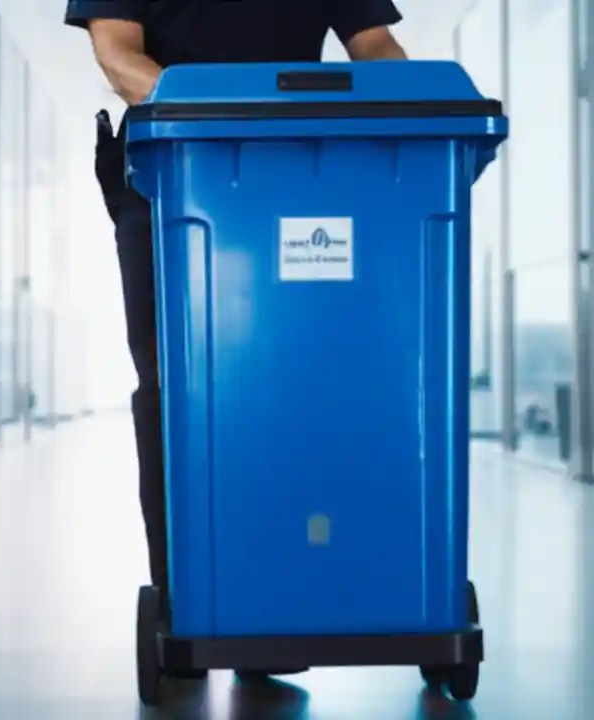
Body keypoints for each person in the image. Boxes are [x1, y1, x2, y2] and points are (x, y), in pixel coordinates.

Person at [67, 0, 407, 646]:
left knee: (291, 374)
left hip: (295, 173)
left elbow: (375, 46)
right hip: (172, 172)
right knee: (176, 380)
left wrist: (415, 106)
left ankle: (283, 582)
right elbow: (117, 52)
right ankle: (193, 593)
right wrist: (219, 112)